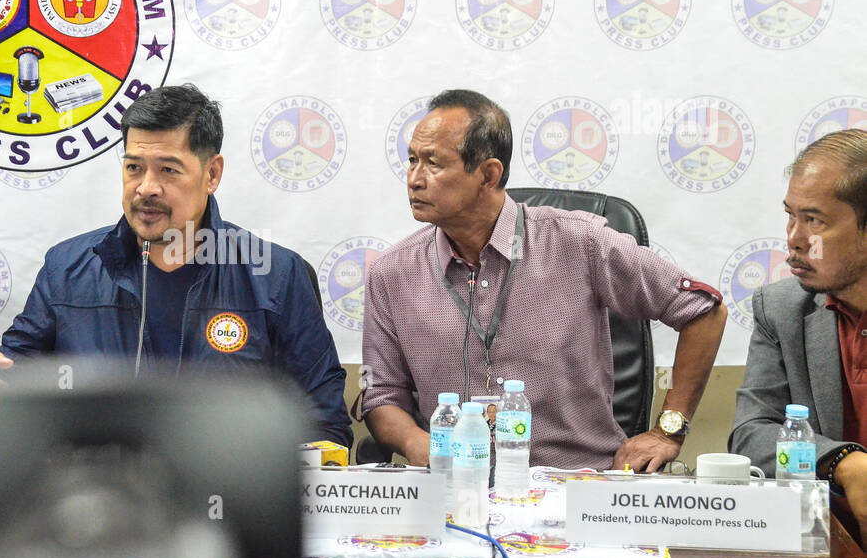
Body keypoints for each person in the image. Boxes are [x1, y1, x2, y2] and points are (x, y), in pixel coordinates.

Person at [0, 83, 352, 447]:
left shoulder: (276, 276)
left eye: (168, 170)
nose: (146, 188)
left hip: (226, 508)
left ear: (212, 174)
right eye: (134, 167)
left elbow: (324, 425)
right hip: (96, 505)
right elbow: (11, 388)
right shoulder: (67, 270)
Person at [362, 88, 727, 472]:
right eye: (412, 160)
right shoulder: (392, 274)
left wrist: (668, 430)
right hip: (458, 488)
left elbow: (704, 311)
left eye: (433, 163)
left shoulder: (580, 243)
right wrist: (414, 441)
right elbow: (382, 395)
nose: (414, 179)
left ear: (488, 174)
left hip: (579, 483)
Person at [731, 128, 867, 535]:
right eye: (791, 215)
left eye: (814, 220)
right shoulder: (781, 308)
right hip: (826, 545)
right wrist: (843, 461)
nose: (794, 240)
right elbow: (751, 434)